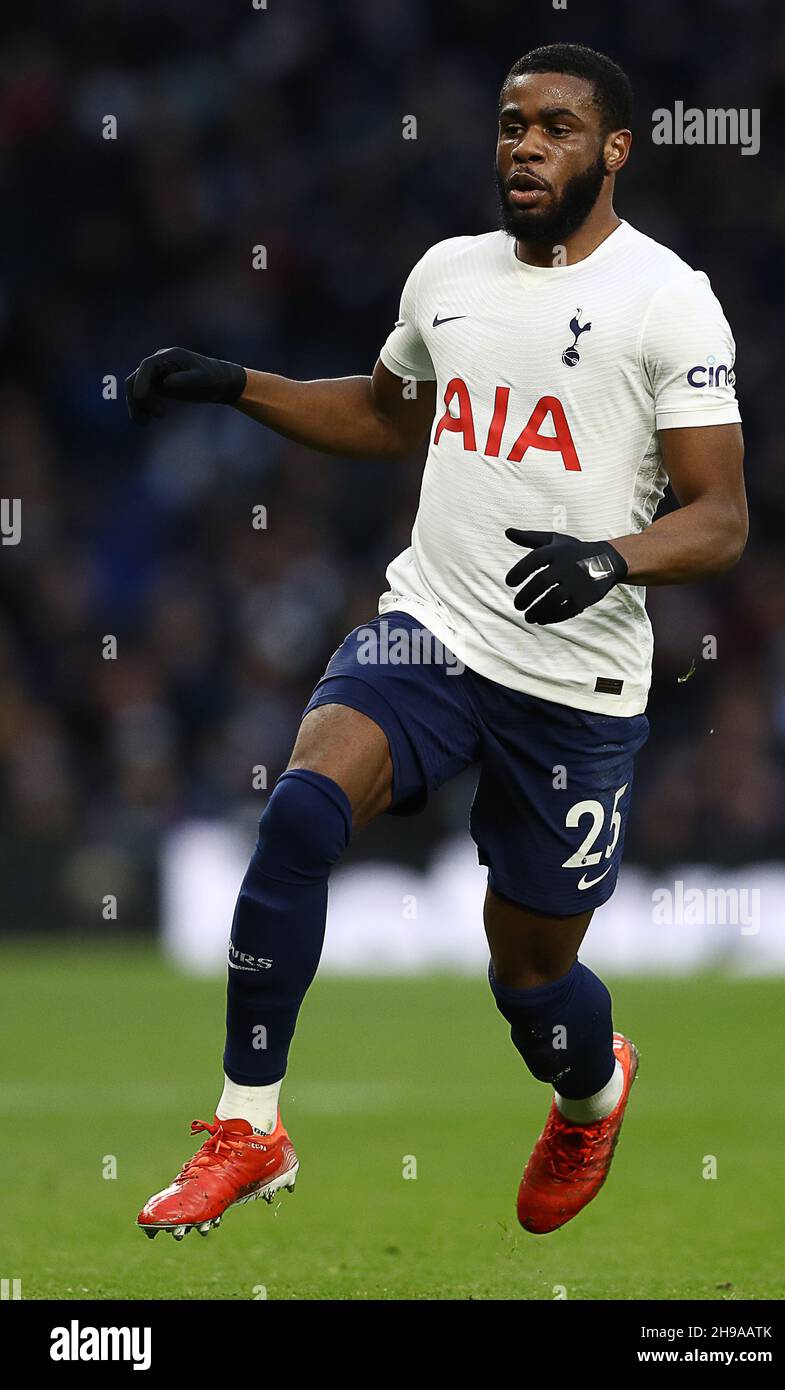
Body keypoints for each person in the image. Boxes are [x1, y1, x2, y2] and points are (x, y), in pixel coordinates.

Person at [127, 42, 747, 1241]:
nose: (525, 145)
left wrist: (611, 557)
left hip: (576, 684)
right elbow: (384, 413)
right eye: (512, 123)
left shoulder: (668, 298)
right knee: (302, 810)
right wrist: (234, 383)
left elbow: (719, 515)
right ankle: (249, 1125)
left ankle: (592, 1090)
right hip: (434, 629)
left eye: (558, 127)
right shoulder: (448, 275)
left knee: (531, 982)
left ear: (614, 150)